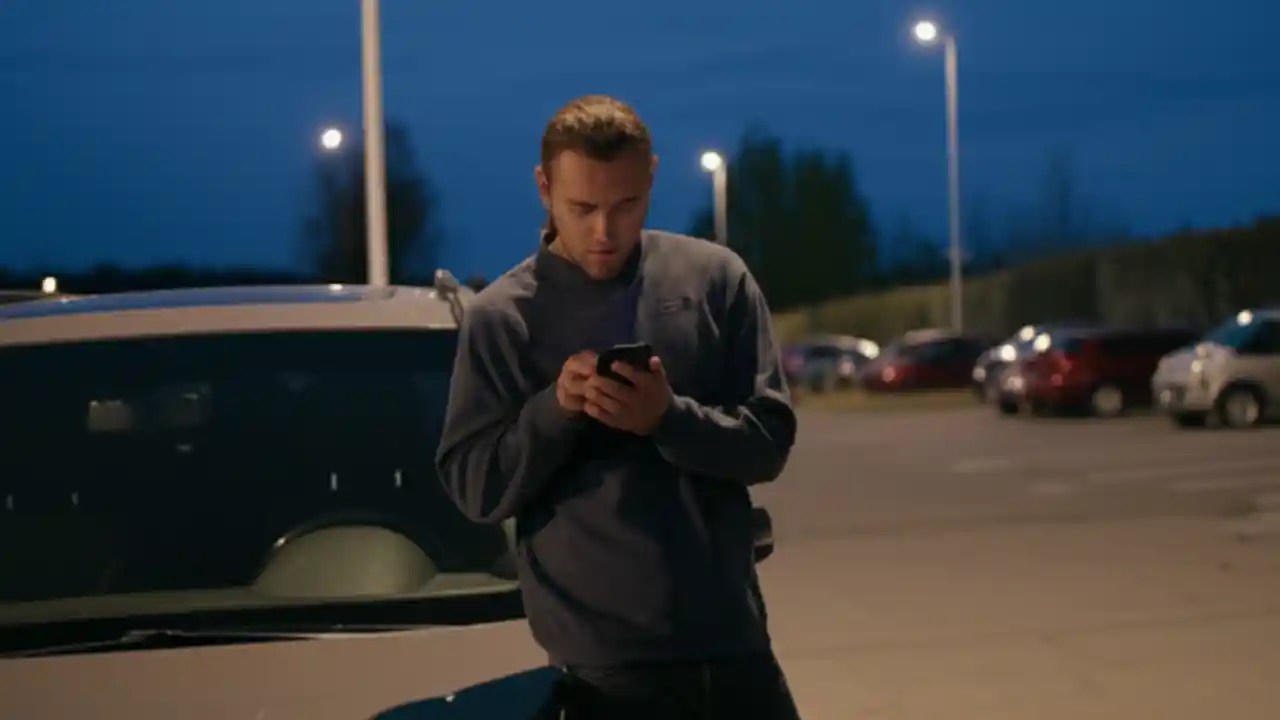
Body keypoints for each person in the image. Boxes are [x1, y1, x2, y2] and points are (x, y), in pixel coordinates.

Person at [435, 94, 801, 719]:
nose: (604, 231)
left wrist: (668, 418)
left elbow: (769, 443)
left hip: (735, 649)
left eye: (626, 205)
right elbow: (476, 487)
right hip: (599, 675)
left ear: (652, 178)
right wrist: (555, 410)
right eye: (582, 208)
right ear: (544, 188)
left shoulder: (715, 279)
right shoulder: (503, 318)